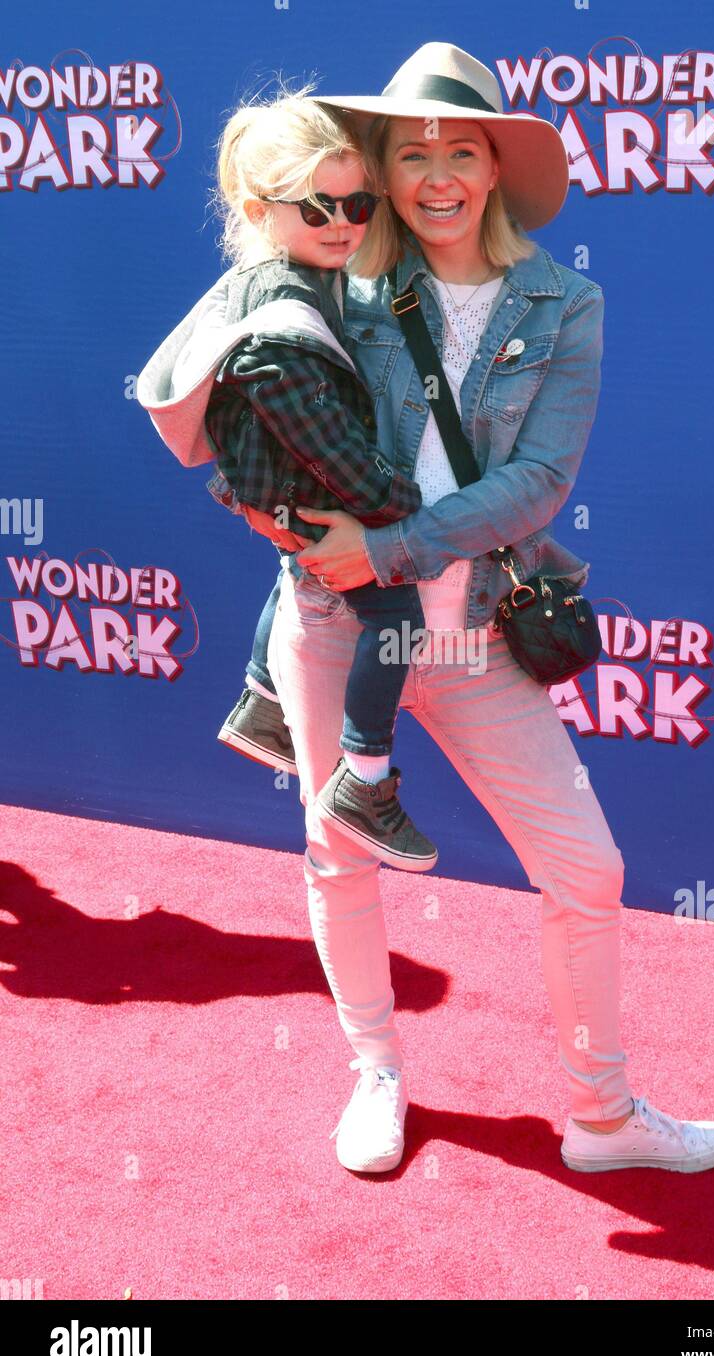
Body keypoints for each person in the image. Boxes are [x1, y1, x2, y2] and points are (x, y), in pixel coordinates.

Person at [232, 42, 714, 1178]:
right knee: (336, 856)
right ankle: (376, 1075)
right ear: (384, 170)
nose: (435, 174)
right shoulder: (334, 266)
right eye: (410, 153)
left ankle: (599, 1115)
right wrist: (263, 507)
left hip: (473, 632)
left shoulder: (565, 302)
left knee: (585, 866)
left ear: (495, 166)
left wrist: (394, 546)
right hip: (331, 618)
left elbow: (537, 482)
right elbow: (229, 379)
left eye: (459, 149)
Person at [137, 88, 440, 871]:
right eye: (317, 207)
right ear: (257, 206)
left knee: (293, 570)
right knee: (397, 610)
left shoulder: (275, 280)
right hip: (306, 495)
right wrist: (405, 512)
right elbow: (330, 449)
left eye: (358, 203)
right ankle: (365, 776)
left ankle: (262, 702)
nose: (342, 223)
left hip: (273, 489)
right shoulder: (283, 316)